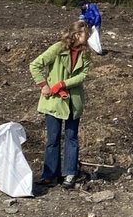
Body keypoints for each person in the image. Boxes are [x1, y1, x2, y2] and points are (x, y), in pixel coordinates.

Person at [29, 20, 91, 189]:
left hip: (73, 101)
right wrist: (44, 86)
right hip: (55, 102)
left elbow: (83, 75)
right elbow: (35, 65)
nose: (89, 36)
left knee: (71, 138)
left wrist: (63, 84)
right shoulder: (58, 48)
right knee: (53, 139)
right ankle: (50, 175)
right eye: (86, 33)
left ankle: (70, 174)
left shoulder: (85, 53)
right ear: (77, 34)